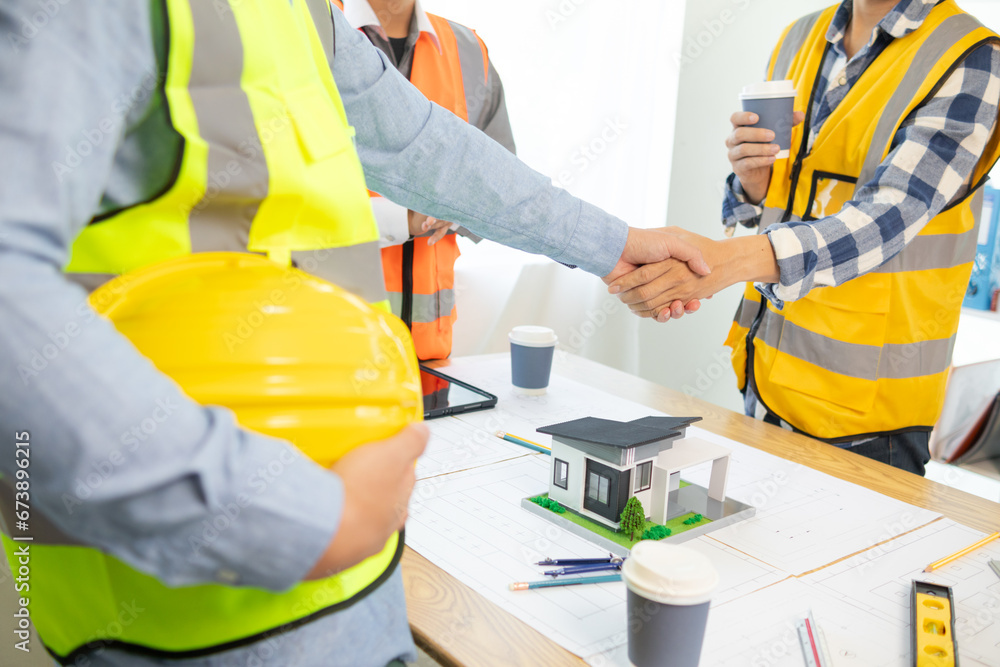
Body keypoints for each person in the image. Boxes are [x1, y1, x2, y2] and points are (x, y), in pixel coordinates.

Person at [0, 1, 707, 665]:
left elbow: (420, 142)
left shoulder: (300, 11)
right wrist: (303, 522)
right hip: (193, 616)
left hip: (350, 577)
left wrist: (615, 244)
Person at [609, 0, 1000, 476]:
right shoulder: (800, 36)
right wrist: (752, 182)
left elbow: (888, 218)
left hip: (867, 418)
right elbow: (787, 196)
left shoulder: (970, 57)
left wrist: (721, 264)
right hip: (767, 371)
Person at [338, 0, 516, 360]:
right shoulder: (312, 29)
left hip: (429, 354)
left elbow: (500, 185)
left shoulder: (469, 51)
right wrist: (403, 219)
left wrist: (460, 208)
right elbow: (279, 191)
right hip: (330, 344)